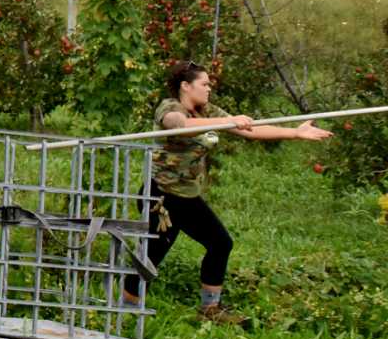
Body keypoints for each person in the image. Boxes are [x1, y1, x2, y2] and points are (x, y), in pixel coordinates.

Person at [126, 59, 331, 323]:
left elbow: (250, 130)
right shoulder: (170, 107)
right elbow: (177, 124)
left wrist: (295, 133)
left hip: (187, 196)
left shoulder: (206, 110)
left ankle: (210, 309)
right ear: (186, 86)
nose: (209, 88)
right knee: (153, 254)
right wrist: (227, 120)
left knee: (220, 243)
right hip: (161, 196)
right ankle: (126, 306)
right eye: (204, 84)